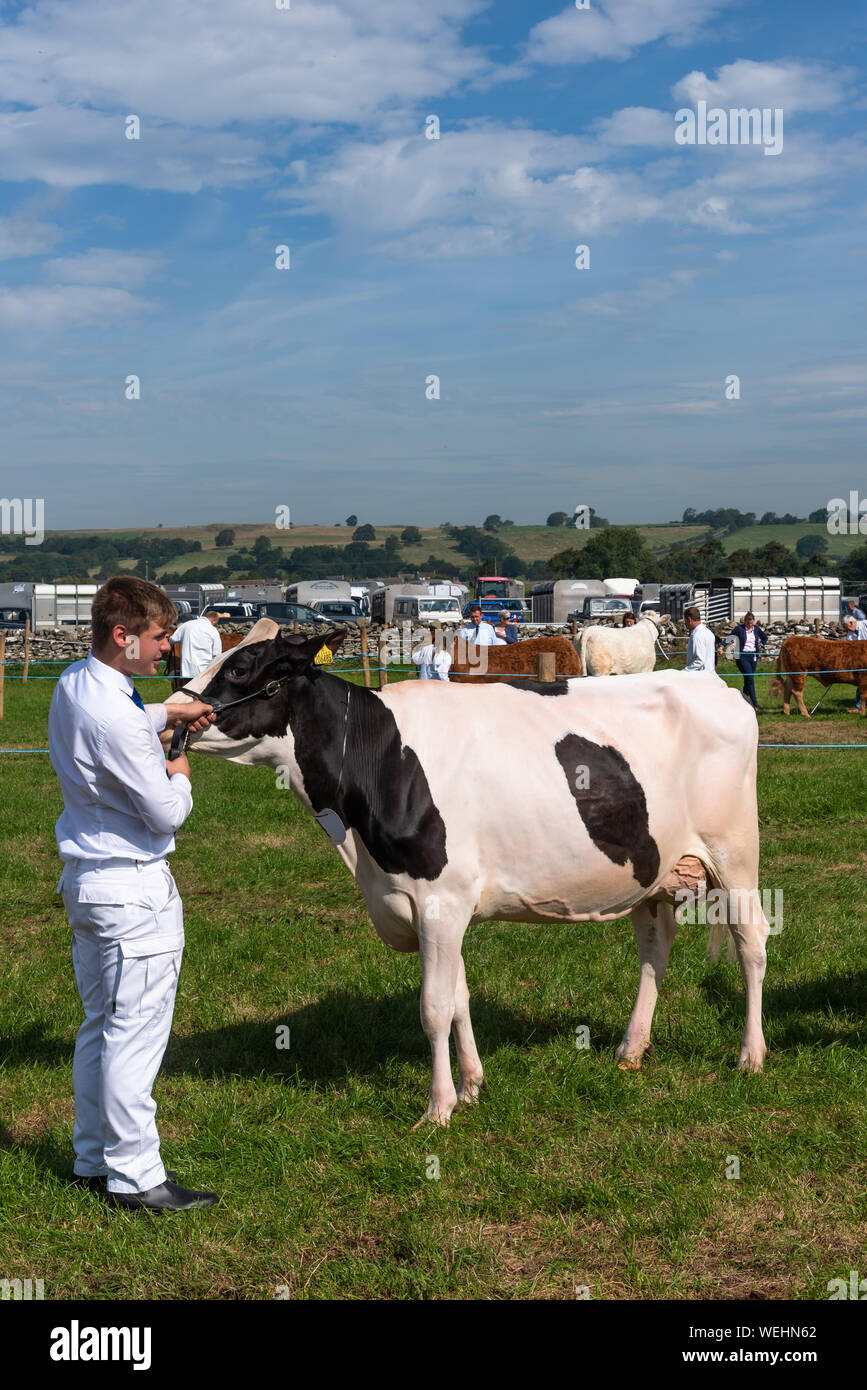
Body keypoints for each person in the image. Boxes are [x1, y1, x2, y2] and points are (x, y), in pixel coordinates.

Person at [49, 576, 219, 1212]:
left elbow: (117, 719)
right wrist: (180, 771)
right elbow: (164, 814)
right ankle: (137, 1177)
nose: (166, 648)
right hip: (132, 890)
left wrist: (166, 712)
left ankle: (93, 1157)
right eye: (157, 637)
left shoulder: (75, 681)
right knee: (135, 1035)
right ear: (123, 636)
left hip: (88, 883)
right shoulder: (119, 717)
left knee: (101, 1025)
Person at [169, 608, 223, 680]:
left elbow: (172, 639)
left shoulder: (187, 625)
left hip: (186, 670)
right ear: (214, 621)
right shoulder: (213, 630)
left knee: (186, 689)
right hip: (204, 671)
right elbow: (217, 655)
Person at [729, 610, 767, 710]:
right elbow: (730, 637)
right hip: (742, 656)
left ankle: (743, 700)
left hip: (753, 656)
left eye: (751, 623)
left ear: (754, 621)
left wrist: (761, 644)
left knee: (748, 679)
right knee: (750, 678)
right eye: (748, 623)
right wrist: (721, 646)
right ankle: (755, 703)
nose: (750, 625)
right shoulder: (739, 629)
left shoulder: (757, 629)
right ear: (745, 622)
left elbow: (765, 638)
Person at [683, 605, 720, 673]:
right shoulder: (708, 632)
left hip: (700, 676)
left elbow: (699, 660)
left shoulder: (697, 635)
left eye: (685, 621)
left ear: (689, 620)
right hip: (710, 673)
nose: (685, 623)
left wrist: (684, 672)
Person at [843, 615, 867, 713]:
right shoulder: (849, 635)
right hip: (862, 662)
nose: (846, 629)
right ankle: (859, 708)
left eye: (846, 626)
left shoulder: (865, 624)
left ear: (852, 623)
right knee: (861, 683)